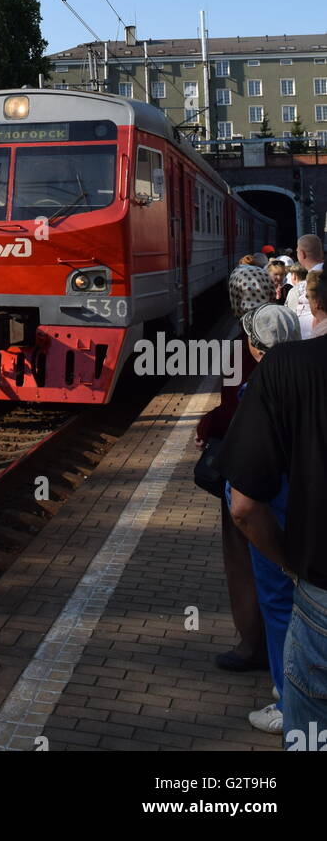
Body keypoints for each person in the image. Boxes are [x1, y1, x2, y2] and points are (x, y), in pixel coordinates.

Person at [222, 267, 327, 750]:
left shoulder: (286, 371)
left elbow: (245, 505)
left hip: (319, 581)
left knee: (310, 732)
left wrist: (287, 559)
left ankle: (286, 702)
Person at [223, 304, 301, 733]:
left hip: (270, 506)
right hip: (296, 503)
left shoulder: (261, 387)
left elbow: (246, 502)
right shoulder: (305, 377)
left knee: (277, 602)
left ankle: (289, 699)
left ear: (255, 347)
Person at [198, 264, 274, 672]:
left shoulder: (242, 345)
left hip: (244, 469)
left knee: (242, 560)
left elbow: (233, 411)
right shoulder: (288, 329)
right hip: (283, 469)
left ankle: (252, 645)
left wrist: (206, 424)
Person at [293, 234, 324, 338]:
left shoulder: (317, 279)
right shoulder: (319, 274)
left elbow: (321, 313)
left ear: (302, 254)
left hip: (316, 341)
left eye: (297, 251)